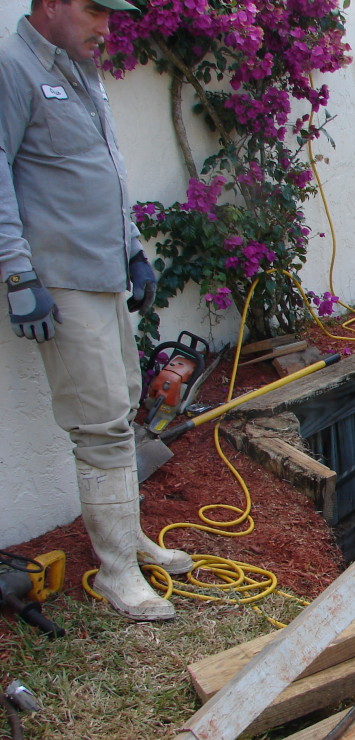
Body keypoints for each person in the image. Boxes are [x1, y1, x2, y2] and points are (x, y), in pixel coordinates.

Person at [0, 0, 193, 620]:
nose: (106, 27)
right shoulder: (12, 67)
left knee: (124, 400)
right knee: (100, 423)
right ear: (49, 5)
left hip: (105, 272)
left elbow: (107, 168)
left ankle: (127, 541)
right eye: (93, 11)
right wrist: (16, 273)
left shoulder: (83, 70)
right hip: (61, 279)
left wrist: (134, 250)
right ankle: (116, 573)